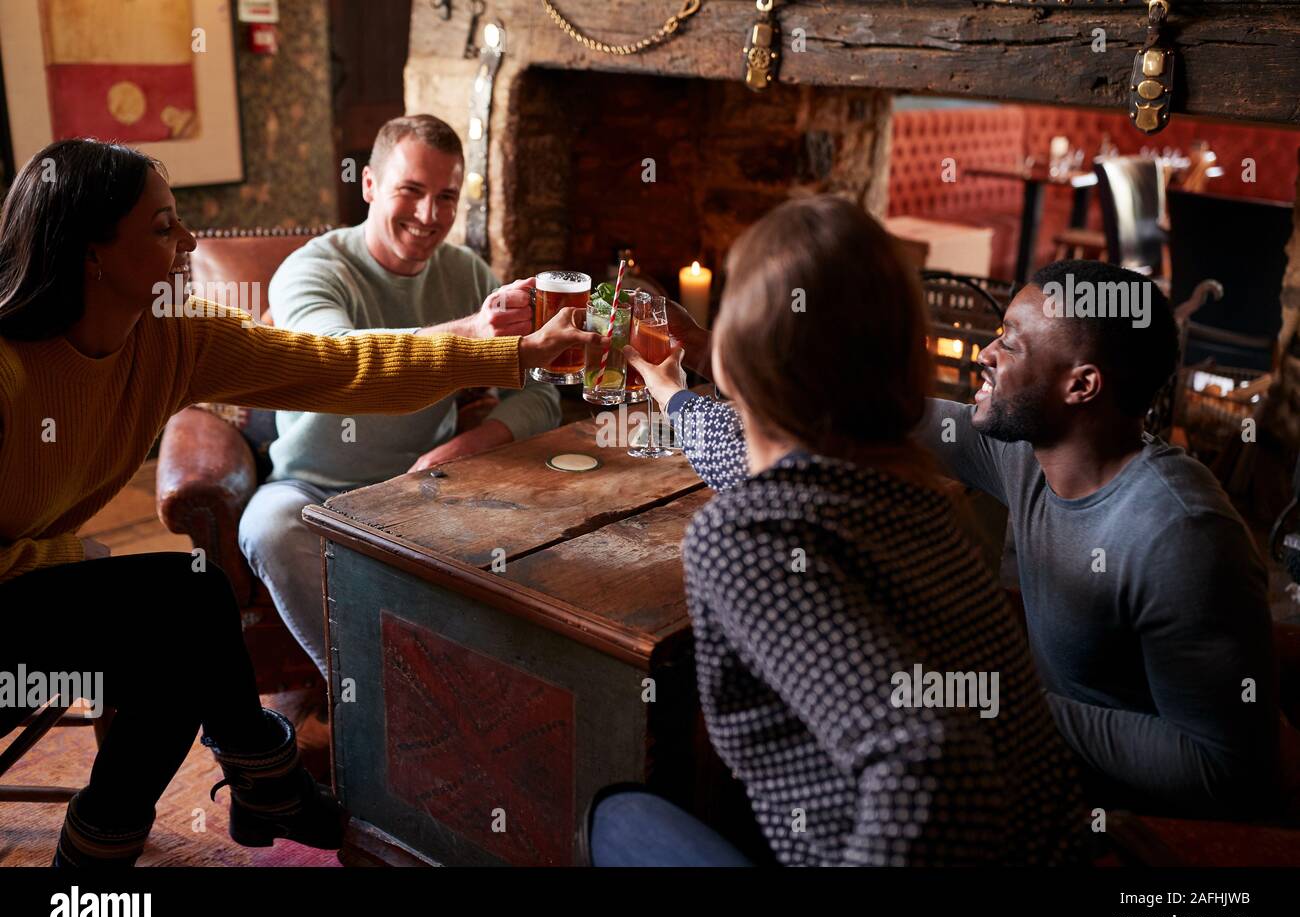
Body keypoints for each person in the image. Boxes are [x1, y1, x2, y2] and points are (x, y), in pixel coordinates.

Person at [0, 138, 594, 866]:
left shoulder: (172, 340)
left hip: (32, 585)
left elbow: (343, 367)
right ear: (92, 252)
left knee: (184, 633)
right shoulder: (10, 370)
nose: (189, 241)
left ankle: (137, 841)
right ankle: (261, 780)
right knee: (180, 615)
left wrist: (510, 351)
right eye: (163, 228)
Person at [608, 195, 1086, 866]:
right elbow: (751, 452)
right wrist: (673, 392)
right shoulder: (914, 491)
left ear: (740, 350)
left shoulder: (746, 536)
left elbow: (931, 765)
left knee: (617, 814)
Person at [913, 259, 1280, 818]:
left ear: (1081, 385)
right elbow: (887, 419)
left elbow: (1226, 770)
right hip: (1055, 780)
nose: (986, 355)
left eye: (1010, 344)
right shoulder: (1029, 452)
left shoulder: (1180, 536)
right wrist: (753, 396)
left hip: (1149, 833)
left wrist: (1009, 707)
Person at [238, 115, 562, 677]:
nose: (429, 216)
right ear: (368, 185)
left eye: (446, 198)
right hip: (313, 485)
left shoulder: (466, 272)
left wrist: (468, 445)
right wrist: (472, 334)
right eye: (410, 191)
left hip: (426, 488)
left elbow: (542, 392)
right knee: (266, 527)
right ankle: (374, 695)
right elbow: (341, 359)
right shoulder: (310, 270)